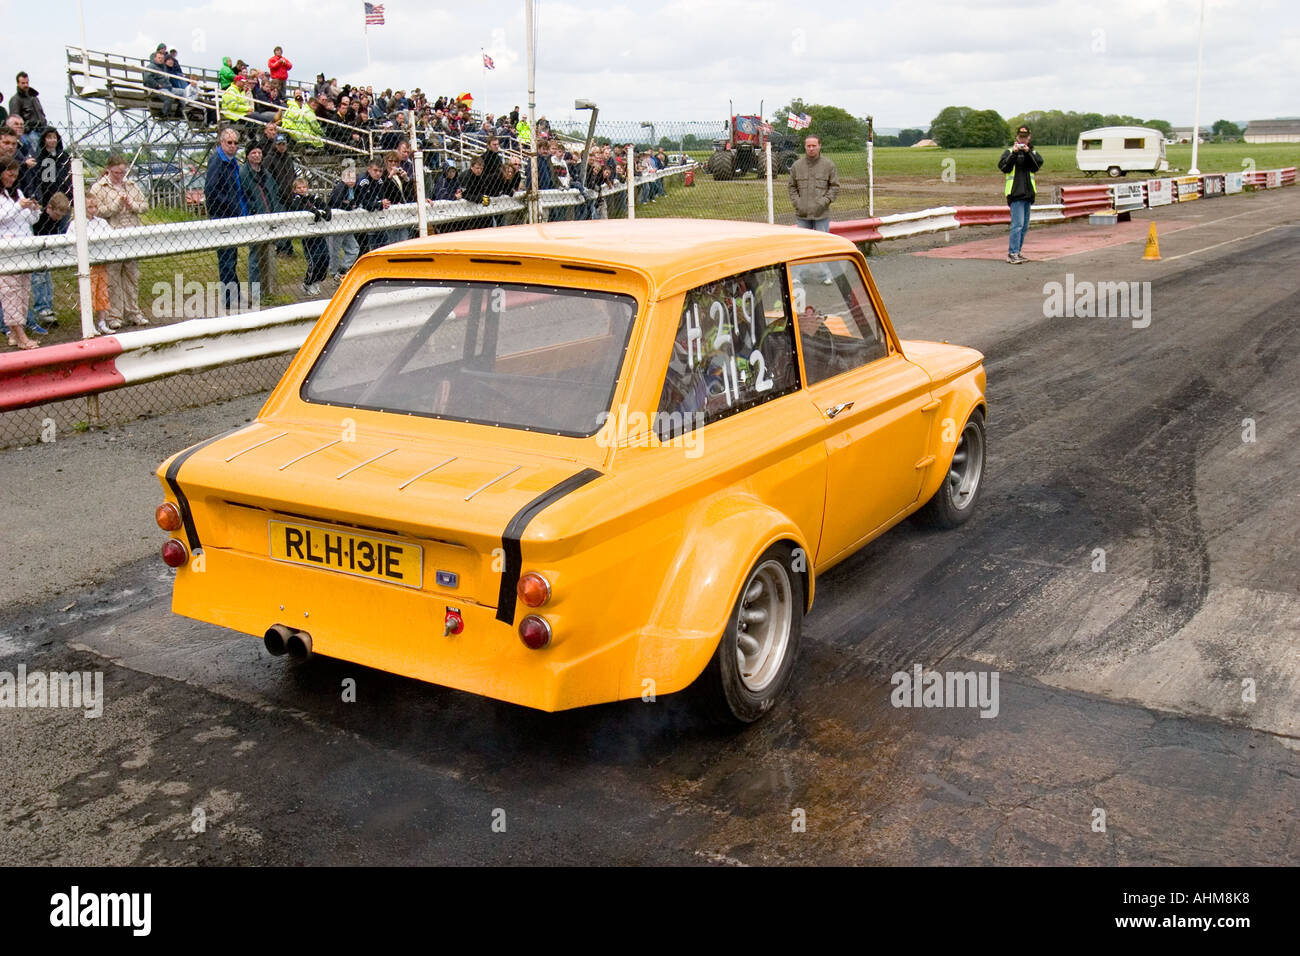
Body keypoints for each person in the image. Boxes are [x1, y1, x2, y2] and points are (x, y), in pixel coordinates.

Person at [88, 154, 150, 326]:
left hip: (131, 234)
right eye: (116, 172)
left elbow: (144, 205)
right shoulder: (98, 188)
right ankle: (114, 315)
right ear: (109, 170)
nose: (120, 176)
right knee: (113, 277)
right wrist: (114, 206)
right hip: (111, 236)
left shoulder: (131, 185)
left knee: (131, 276)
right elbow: (94, 211)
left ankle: (133, 311)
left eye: (123, 172)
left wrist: (132, 206)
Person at [205, 126, 250, 311]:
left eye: (235, 143)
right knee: (226, 258)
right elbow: (211, 191)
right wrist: (231, 206)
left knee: (231, 257)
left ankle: (235, 293)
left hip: (232, 215)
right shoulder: (218, 161)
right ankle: (229, 298)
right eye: (229, 143)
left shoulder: (231, 162)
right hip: (223, 217)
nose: (232, 146)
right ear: (221, 143)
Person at [0, 160, 41, 349]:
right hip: (6, 251)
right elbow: (3, 216)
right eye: (9, 173)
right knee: (11, 293)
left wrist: (34, 210)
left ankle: (17, 332)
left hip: (23, 249)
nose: (12, 177)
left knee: (23, 292)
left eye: (15, 174)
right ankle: (20, 335)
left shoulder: (17, 193)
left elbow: (29, 220)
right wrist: (19, 207)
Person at [998, 124, 1043, 264]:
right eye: (1020, 137)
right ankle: (1012, 253)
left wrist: (1028, 152)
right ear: (1017, 138)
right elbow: (1004, 167)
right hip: (1015, 193)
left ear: (1029, 138)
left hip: (1028, 194)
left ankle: (1017, 251)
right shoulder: (1009, 152)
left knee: (1024, 226)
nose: (1023, 140)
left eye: (1025, 137)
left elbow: (1036, 166)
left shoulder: (1033, 153)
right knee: (1017, 225)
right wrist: (1015, 153)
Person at [241, 144, 281, 297]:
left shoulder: (265, 173)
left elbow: (273, 193)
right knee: (255, 256)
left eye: (259, 152)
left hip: (269, 216)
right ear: (247, 155)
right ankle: (256, 291)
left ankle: (268, 290)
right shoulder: (244, 173)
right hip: (254, 218)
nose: (257, 155)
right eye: (253, 152)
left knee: (268, 254)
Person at [285, 178, 331, 295]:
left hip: (319, 232)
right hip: (307, 235)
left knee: (325, 257)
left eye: (304, 187)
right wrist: (313, 210)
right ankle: (308, 282)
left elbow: (321, 203)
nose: (302, 190)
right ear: (295, 190)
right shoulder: (296, 199)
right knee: (314, 259)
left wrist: (326, 210)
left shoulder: (312, 197)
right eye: (299, 188)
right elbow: (298, 206)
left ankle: (317, 280)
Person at [30, 190, 70, 322]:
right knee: (38, 279)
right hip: (35, 252)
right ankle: (41, 308)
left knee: (47, 280)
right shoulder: (40, 218)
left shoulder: (55, 221)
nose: (57, 219)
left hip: (46, 253)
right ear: (49, 208)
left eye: (60, 217)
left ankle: (48, 306)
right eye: (56, 215)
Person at [788, 135, 839, 232]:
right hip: (802, 215)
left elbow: (834, 187)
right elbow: (792, 187)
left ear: (819, 146)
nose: (811, 148)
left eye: (814, 146)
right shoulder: (797, 166)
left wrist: (823, 202)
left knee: (822, 244)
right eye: (808, 146)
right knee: (804, 244)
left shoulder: (829, 165)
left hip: (821, 215)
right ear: (805, 147)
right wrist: (798, 202)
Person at [82, 195, 115, 333]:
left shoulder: (101, 222)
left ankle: (102, 322)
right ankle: (88, 323)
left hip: (101, 262)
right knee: (89, 292)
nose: (93, 210)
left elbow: (110, 236)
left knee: (102, 293)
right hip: (87, 264)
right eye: (90, 207)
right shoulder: (77, 223)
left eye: (95, 206)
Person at [326, 164, 361, 279]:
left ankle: (343, 269)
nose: (351, 181)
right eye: (348, 178)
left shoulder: (354, 188)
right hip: (336, 222)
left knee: (354, 248)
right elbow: (336, 202)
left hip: (347, 223)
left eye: (353, 178)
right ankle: (333, 273)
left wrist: (352, 205)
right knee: (334, 250)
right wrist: (349, 205)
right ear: (343, 178)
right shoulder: (341, 187)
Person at [11, 73, 47, 148]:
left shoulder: (34, 98)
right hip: (29, 133)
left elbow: (41, 114)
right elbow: (15, 119)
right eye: (23, 83)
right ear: (18, 83)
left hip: (42, 130)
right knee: (36, 154)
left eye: (27, 82)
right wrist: (27, 129)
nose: (25, 85)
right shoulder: (16, 100)